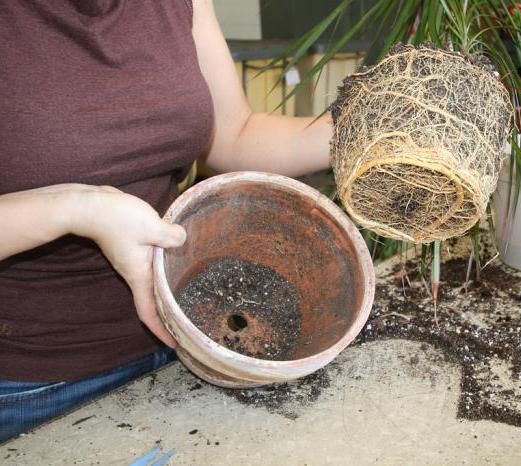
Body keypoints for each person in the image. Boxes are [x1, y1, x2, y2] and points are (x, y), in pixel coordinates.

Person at [0, 0, 332, 442]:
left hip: (191, 338)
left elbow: (234, 133)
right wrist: (76, 208)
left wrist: (369, 127)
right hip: (38, 384)